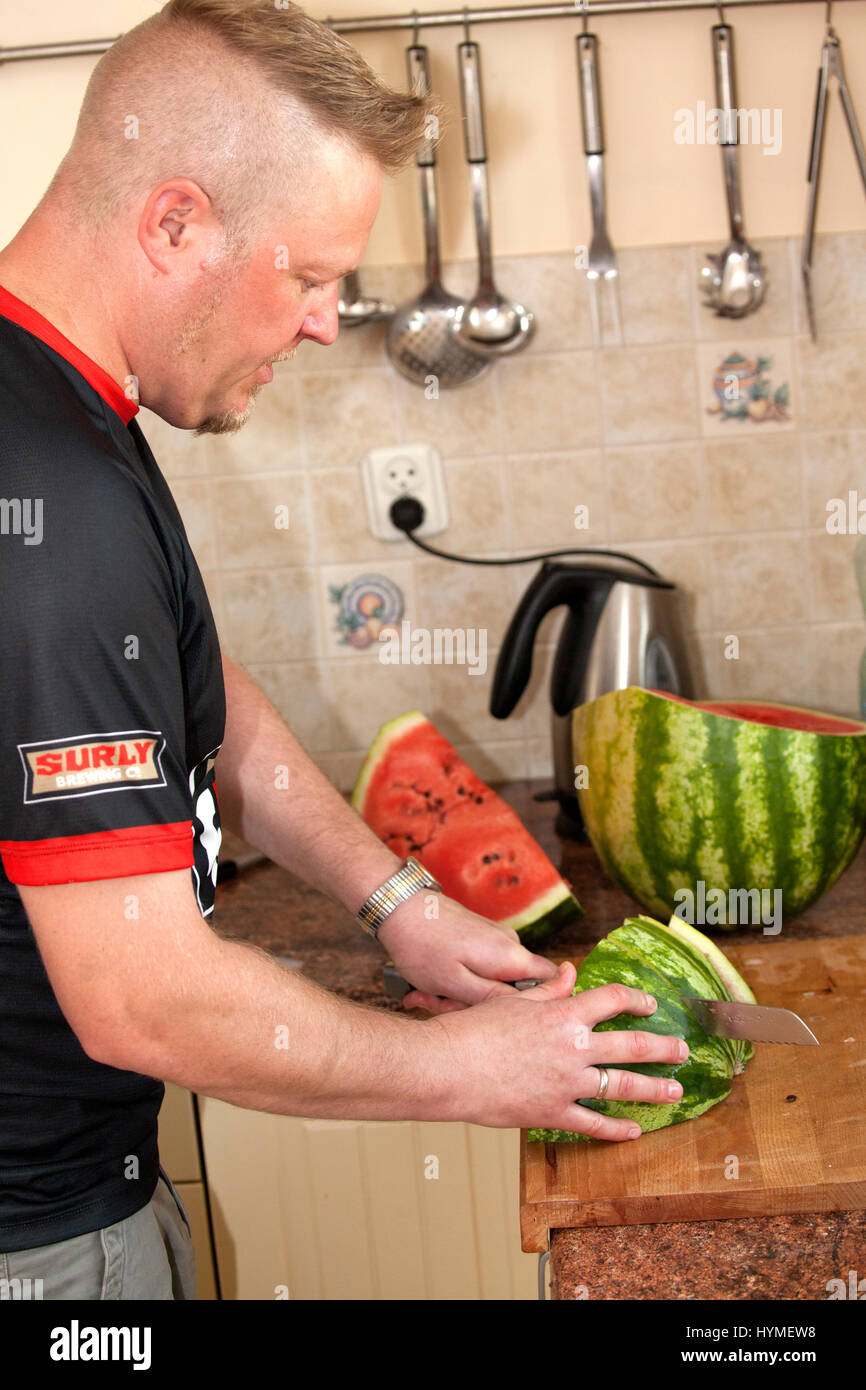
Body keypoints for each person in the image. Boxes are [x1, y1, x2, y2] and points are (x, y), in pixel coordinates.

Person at [0, 0, 687, 1301]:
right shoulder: (52, 502)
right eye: (307, 277)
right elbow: (140, 1000)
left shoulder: (61, 402)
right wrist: (468, 1072)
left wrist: (397, 903)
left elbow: (194, 692)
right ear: (175, 223)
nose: (325, 324)